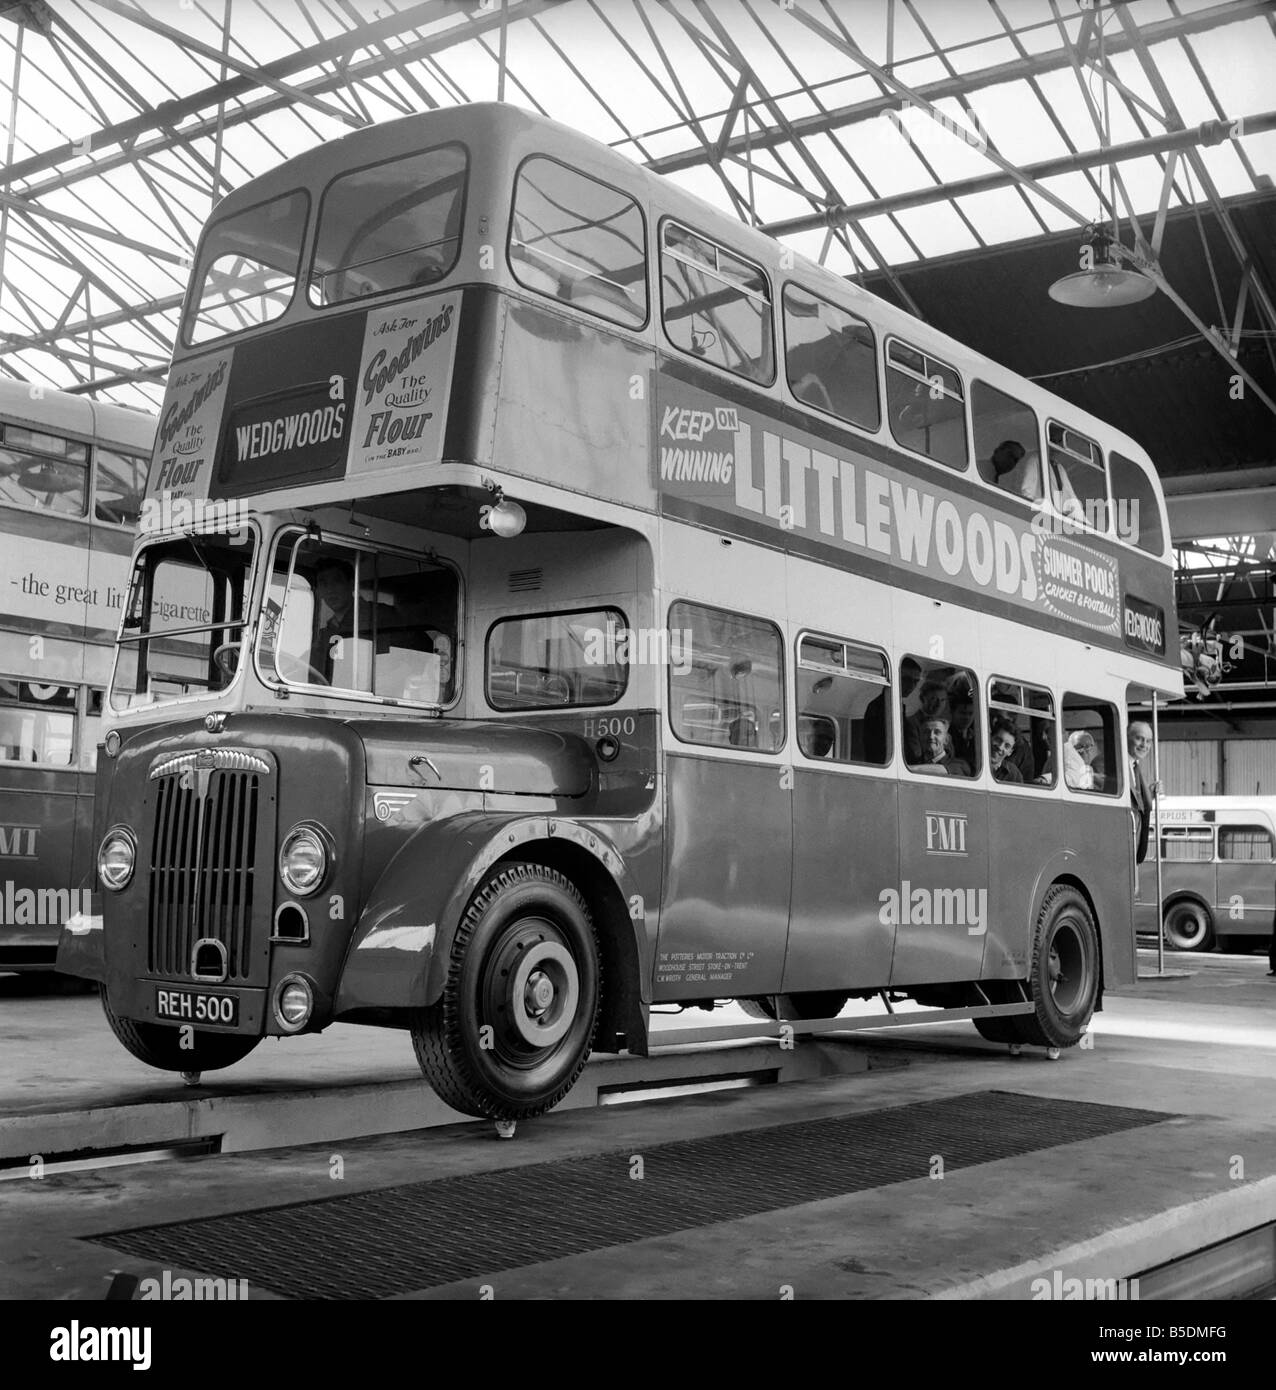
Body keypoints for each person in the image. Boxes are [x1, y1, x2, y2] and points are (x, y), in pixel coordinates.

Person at [1128, 720, 1160, 865]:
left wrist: (1149, 795)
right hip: (1122, 851)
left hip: (1133, 853)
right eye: (1139, 738)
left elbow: (1138, 805)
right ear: (1126, 737)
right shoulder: (1109, 765)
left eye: (1148, 741)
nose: (1144, 745)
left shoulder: (1135, 767)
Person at [903, 679, 949, 763]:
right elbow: (917, 755)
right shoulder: (911, 723)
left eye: (943, 700)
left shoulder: (945, 724)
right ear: (922, 698)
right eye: (933, 699)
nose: (939, 704)